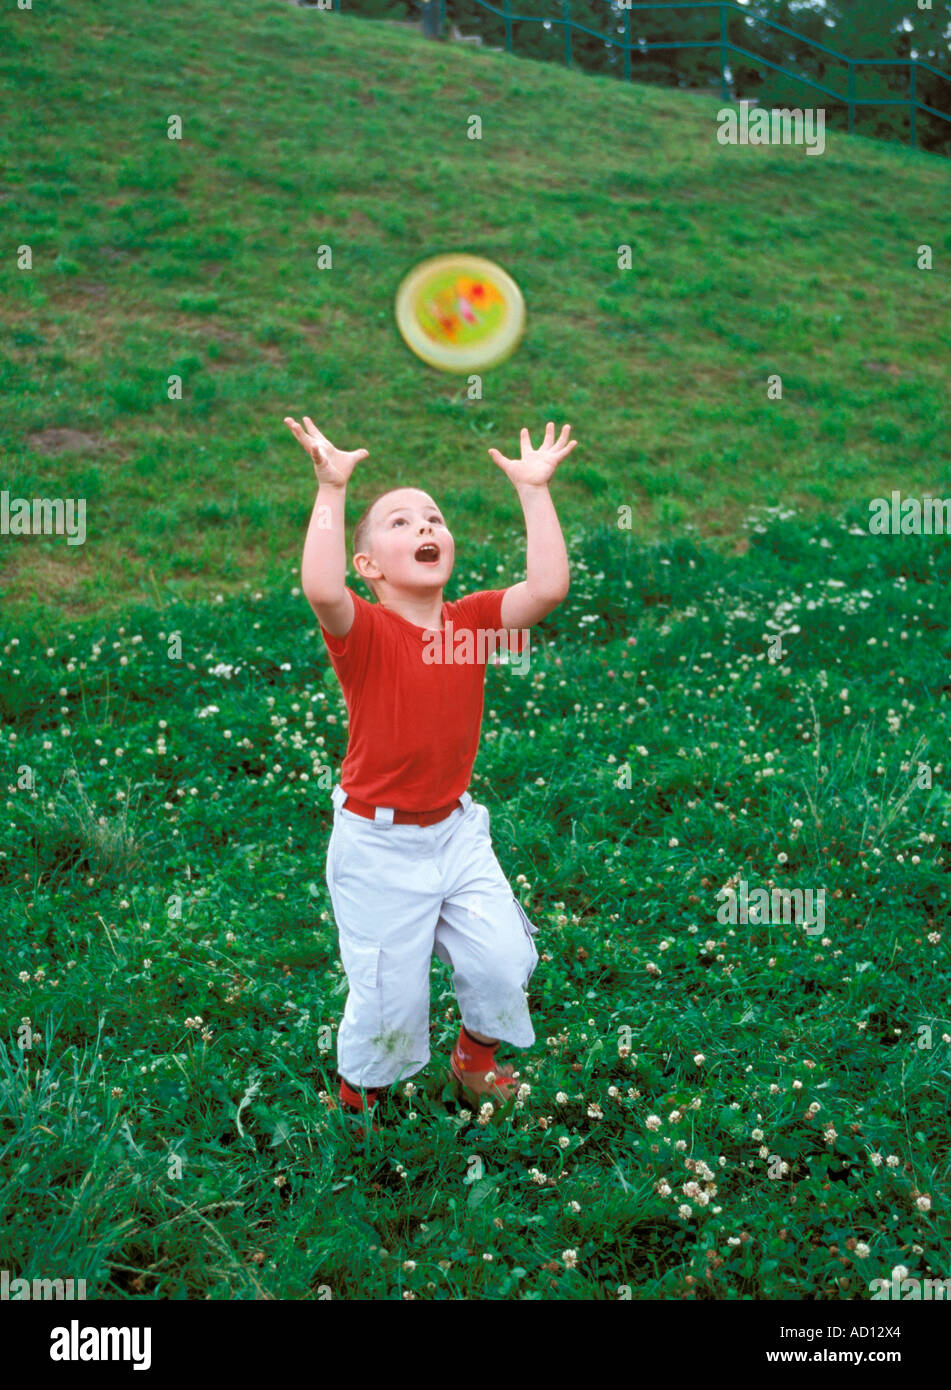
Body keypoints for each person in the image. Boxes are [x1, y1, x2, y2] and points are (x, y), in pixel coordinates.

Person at [283, 413, 577, 1129]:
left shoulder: (473, 622)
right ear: (370, 567)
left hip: (455, 833)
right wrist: (331, 489)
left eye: (434, 518)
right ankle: (361, 1106)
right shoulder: (365, 630)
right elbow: (320, 589)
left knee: (505, 961)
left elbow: (546, 590)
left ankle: (474, 1057)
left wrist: (534, 490)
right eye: (400, 521)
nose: (425, 526)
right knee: (390, 998)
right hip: (377, 847)